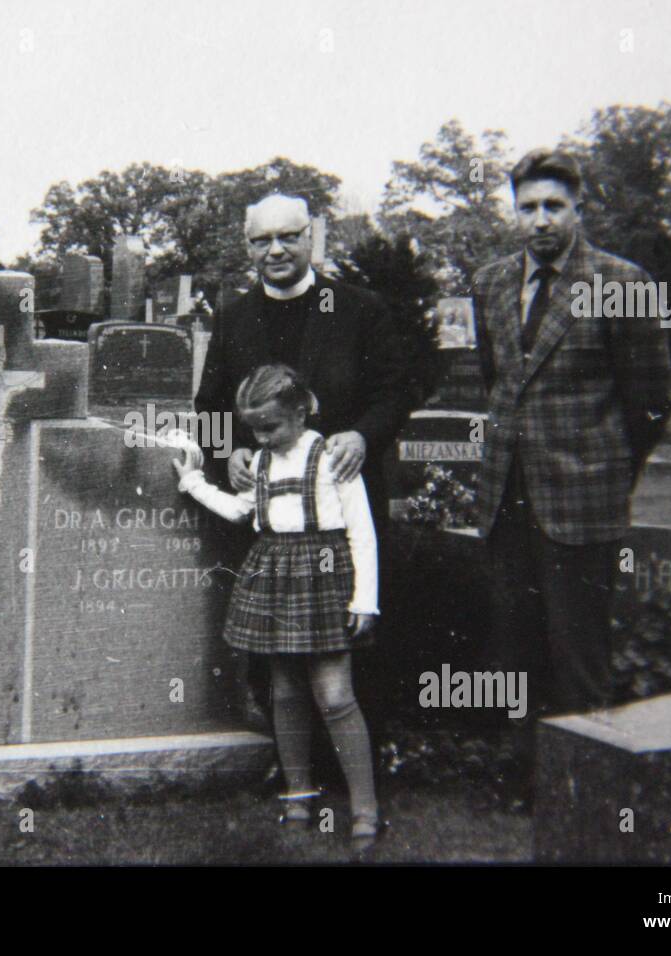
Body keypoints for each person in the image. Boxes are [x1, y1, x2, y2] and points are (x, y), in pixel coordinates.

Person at [194, 193, 420, 732]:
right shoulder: (233, 318)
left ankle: (359, 755)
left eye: (288, 236)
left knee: (347, 631)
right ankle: (288, 758)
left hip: (342, 494)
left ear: (311, 238)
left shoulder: (359, 309)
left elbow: (396, 389)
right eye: (261, 240)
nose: (275, 250)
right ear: (248, 247)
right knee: (278, 645)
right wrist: (230, 453)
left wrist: (363, 436)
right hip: (272, 514)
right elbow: (208, 405)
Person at [472, 149, 671, 722]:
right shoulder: (490, 283)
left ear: (578, 208)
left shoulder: (622, 282)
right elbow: (499, 382)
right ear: (514, 212)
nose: (540, 219)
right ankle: (521, 779)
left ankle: (584, 785)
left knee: (578, 651)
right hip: (505, 501)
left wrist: (608, 471)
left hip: (583, 501)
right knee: (512, 648)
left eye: (554, 206)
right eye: (528, 206)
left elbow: (653, 401)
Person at [174, 364, 385, 853]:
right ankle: (297, 797)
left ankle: (365, 810)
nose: (262, 437)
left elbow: (362, 531)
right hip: (272, 574)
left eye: (271, 426)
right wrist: (193, 483)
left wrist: (365, 600)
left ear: (300, 410)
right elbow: (239, 510)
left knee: (334, 695)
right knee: (286, 689)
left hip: (325, 575)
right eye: (253, 428)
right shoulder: (262, 464)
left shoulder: (331, 457)